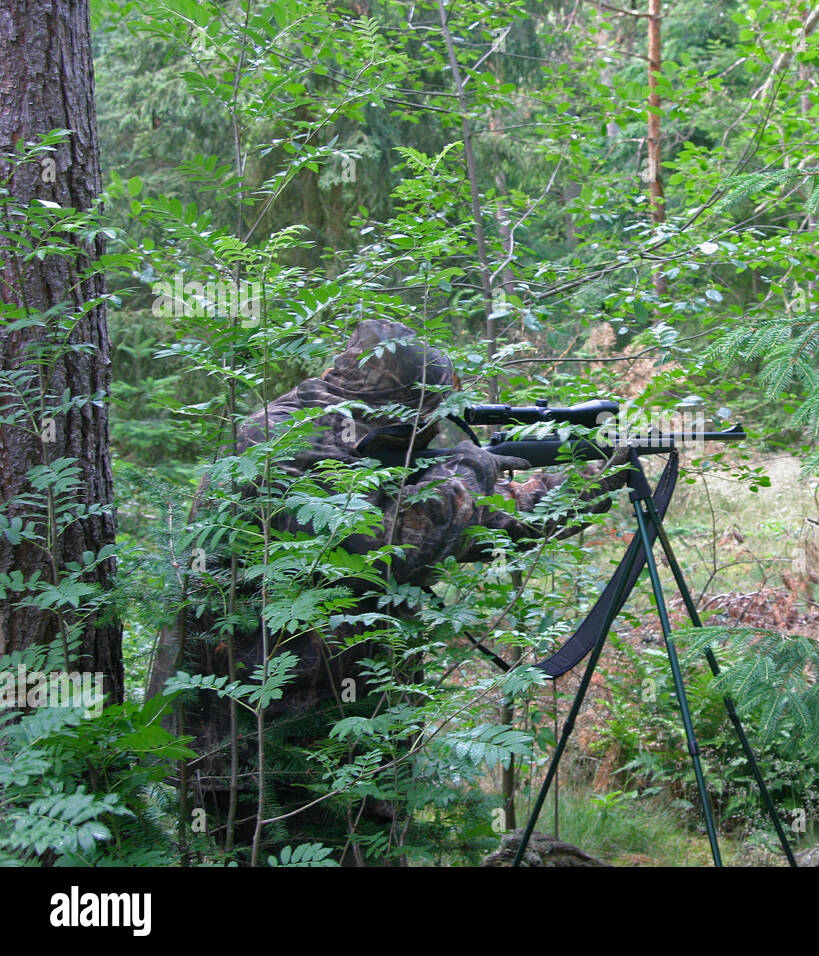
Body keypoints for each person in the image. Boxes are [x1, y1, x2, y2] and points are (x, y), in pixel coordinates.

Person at [148, 319, 628, 854]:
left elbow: (448, 530)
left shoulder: (360, 440)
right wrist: (470, 467)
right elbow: (376, 551)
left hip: (339, 728)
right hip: (261, 737)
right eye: (422, 421)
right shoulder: (285, 435)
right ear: (396, 403)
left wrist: (576, 487)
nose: (427, 435)